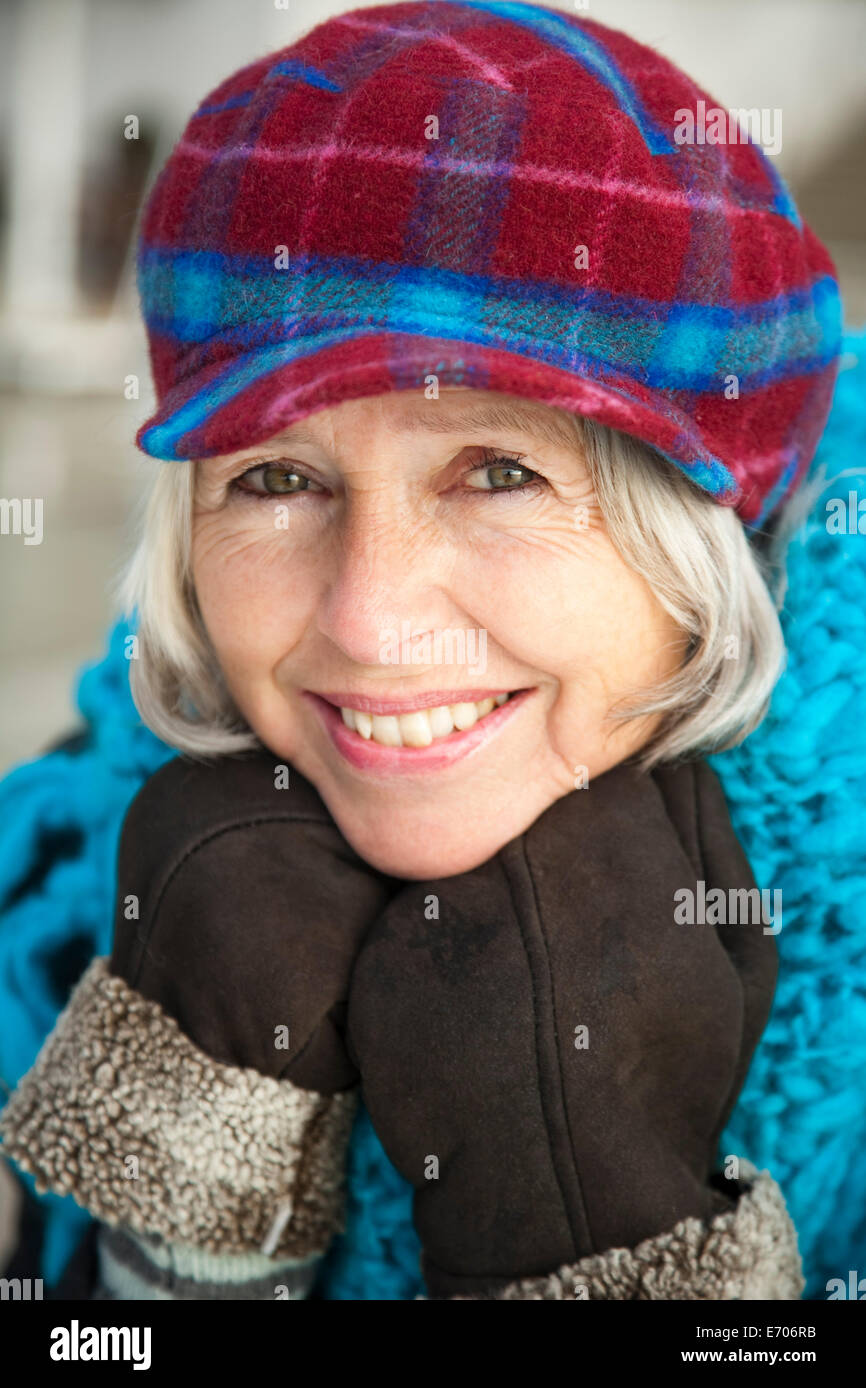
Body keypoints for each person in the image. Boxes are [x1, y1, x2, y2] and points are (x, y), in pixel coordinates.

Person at [0, 0, 842, 1299]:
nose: (366, 620)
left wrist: (607, 1236)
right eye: (276, 476)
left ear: (705, 535)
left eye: (498, 470)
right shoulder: (63, 883)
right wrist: (192, 1218)